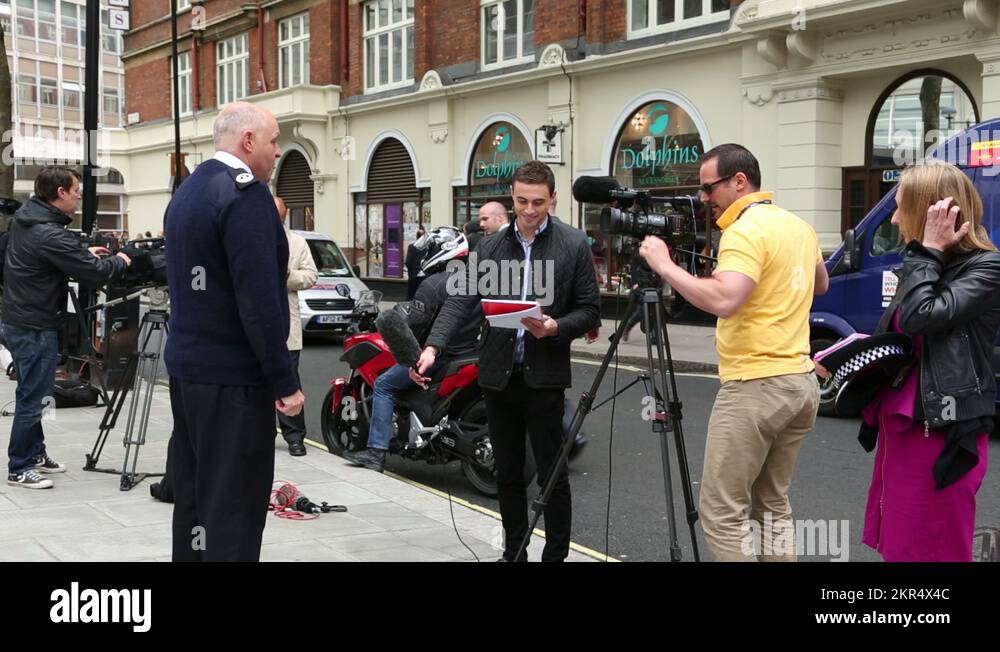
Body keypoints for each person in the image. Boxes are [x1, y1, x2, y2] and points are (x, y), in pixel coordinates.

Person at [640, 144, 827, 561]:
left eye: (709, 188)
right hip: (800, 382)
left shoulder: (744, 229)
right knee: (773, 506)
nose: (705, 198)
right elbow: (821, 284)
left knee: (723, 511)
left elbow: (726, 299)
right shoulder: (797, 225)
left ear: (739, 181)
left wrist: (665, 265)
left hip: (755, 385)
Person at [418, 161, 600, 562]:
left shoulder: (572, 244)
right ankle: (513, 552)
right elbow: (461, 299)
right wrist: (432, 347)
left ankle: (555, 556)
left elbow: (590, 310)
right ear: (512, 198)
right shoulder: (492, 245)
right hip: (498, 378)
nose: (529, 210)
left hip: (545, 378)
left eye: (538, 202)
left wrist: (556, 327)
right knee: (509, 473)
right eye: (521, 201)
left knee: (552, 476)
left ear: (553, 199)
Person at [818, 161, 1000, 561]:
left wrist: (929, 250)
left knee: (936, 544)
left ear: (933, 212)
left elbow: (924, 316)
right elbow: (906, 337)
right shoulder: (924, 264)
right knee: (901, 540)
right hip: (905, 426)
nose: (896, 218)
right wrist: (851, 355)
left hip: (943, 431)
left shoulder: (987, 267)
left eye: (903, 207)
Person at [164, 101, 305, 562]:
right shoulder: (245, 195)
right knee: (235, 508)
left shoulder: (190, 189)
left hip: (189, 372)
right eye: (274, 140)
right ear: (248, 141)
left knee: (195, 498)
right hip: (233, 380)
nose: (278, 150)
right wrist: (284, 380)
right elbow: (259, 301)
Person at [3, 166, 132, 489]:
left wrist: (79, 253)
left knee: (36, 391)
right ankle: (19, 466)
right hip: (34, 325)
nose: (79, 195)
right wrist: (123, 261)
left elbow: (47, 255)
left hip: (20, 318)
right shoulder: (49, 233)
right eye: (76, 190)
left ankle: (34, 452)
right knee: (34, 397)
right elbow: (98, 273)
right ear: (60, 193)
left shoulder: (27, 220)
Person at [343, 226, 479, 472]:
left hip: (437, 357)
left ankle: (376, 453)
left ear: (441, 252)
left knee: (384, 385)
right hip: (467, 353)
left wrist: (394, 323)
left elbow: (414, 324)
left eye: (429, 249)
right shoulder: (475, 279)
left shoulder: (433, 284)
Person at [274, 196, 317, 457]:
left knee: (289, 378)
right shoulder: (250, 237)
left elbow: (311, 275)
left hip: (286, 322)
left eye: (279, 218)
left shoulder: (297, 243)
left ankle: (294, 437)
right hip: (256, 322)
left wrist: (287, 276)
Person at [405, 228, 426, 300]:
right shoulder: (427, 247)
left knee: (411, 295)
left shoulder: (412, 246)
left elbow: (408, 262)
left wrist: (411, 272)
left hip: (414, 275)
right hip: (424, 276)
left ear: (416, 237)